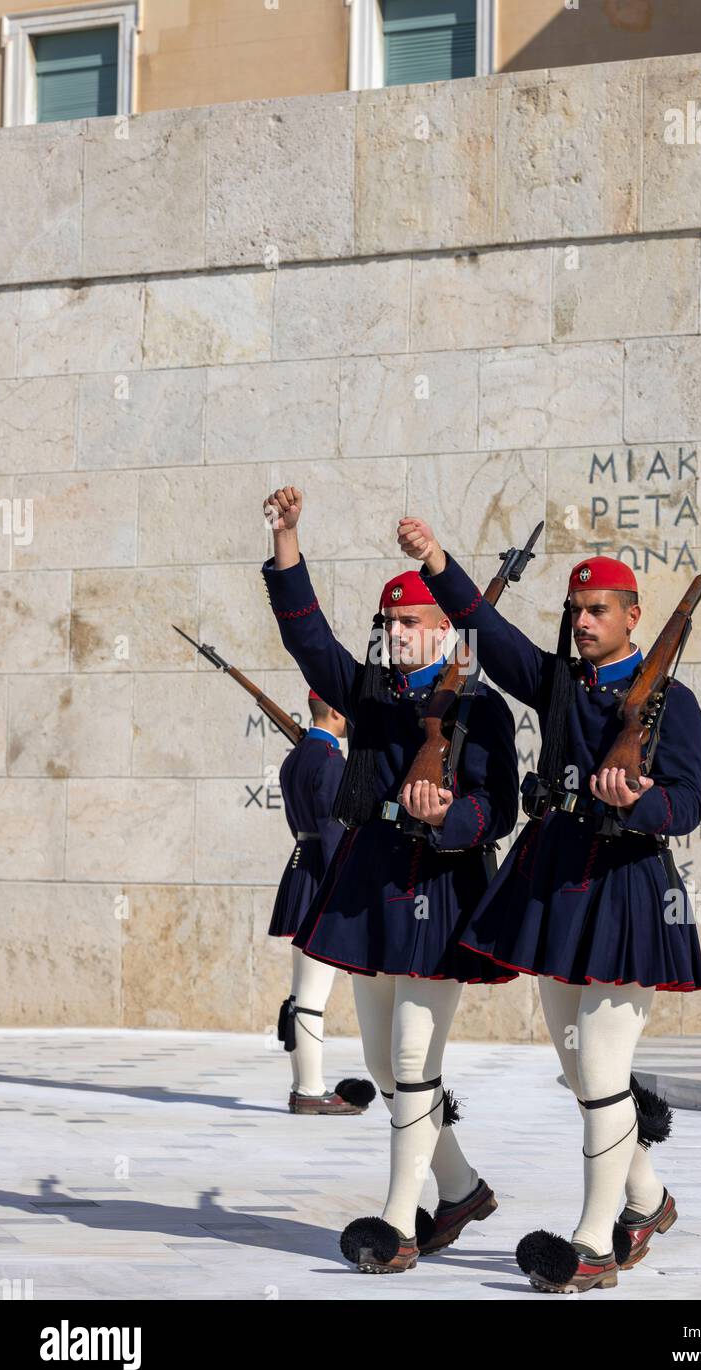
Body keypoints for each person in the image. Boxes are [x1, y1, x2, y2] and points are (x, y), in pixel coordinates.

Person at [398, 517, 701, 1294]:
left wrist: (637, 801)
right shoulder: (557, 685)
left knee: (602, 1073)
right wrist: (438, 564)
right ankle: (647, 1198)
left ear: (633, 616)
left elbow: (687, 805)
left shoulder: (673, 702)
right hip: (553, 884)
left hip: (625, 890)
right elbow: (485, 632)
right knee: (577, 1073)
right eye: (574, 612)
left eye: (597, 610)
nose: (582, 622)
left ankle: (593, 1243)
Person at [259, 487, 520, 1274]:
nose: (396, 634)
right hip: (372, 887)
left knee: (412, 1063)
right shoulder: (371, 697)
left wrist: (450, 818)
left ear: (444, 630)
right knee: (379, 1064)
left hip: (437, 892)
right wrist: (288, 541)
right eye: (389, 624)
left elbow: (497, 808)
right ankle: (462, 1188)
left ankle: (398, 1224)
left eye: (410, 622)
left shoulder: (482, 707)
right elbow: (308, 642)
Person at [270, 687, 375, 1116]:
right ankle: (310, 1091)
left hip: (299, 869)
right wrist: (347, 885)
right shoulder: (331, 763)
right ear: (334, 711)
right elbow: (335, 831)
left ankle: (304, 1086)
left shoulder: (295, 758)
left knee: (301, 992)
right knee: (311, 994)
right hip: (323, 877)